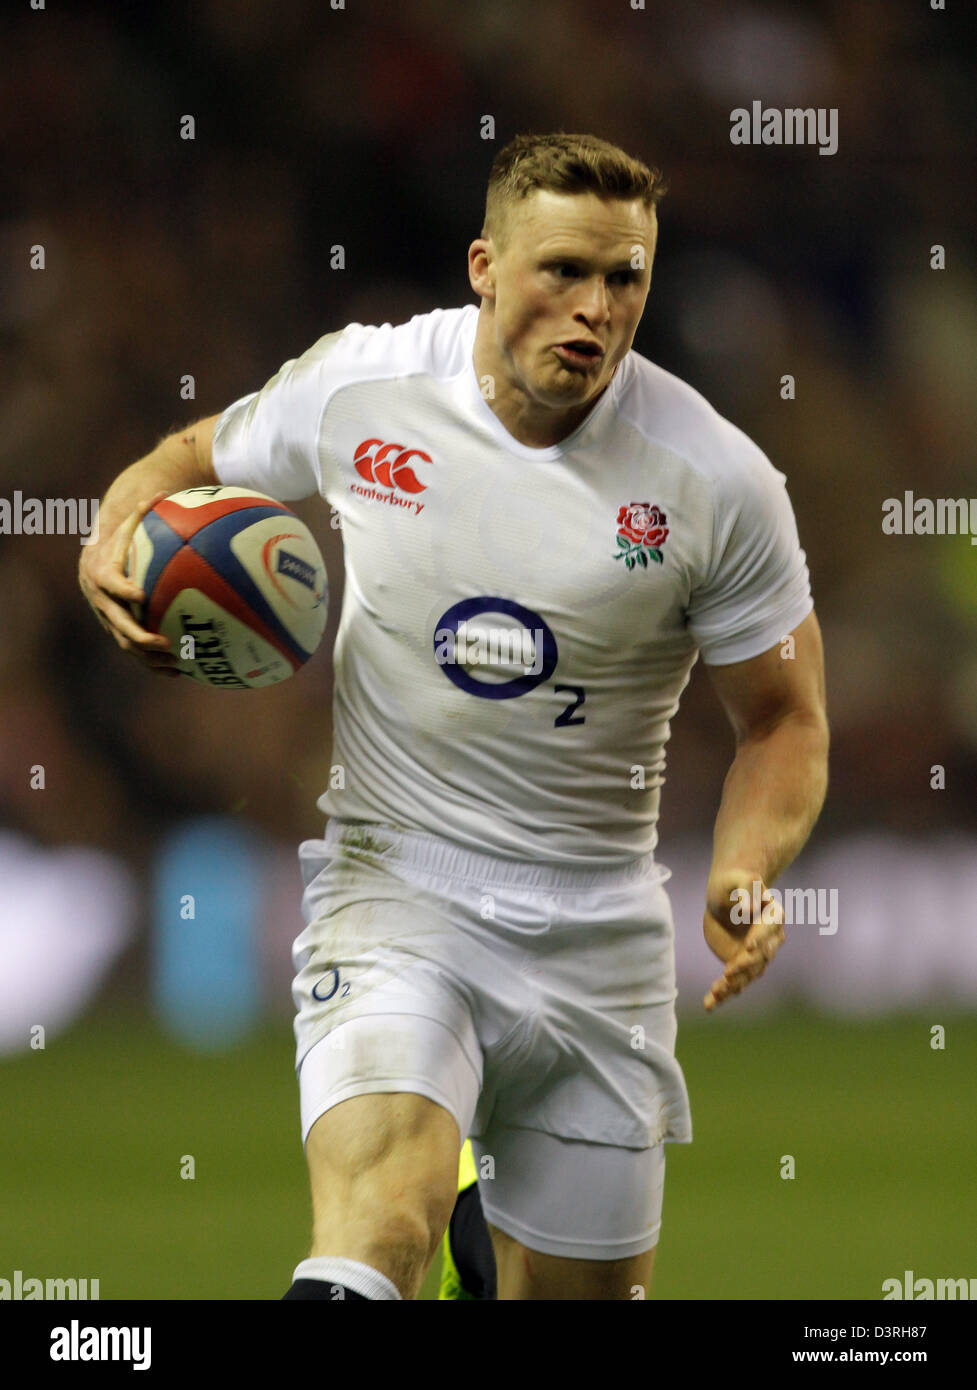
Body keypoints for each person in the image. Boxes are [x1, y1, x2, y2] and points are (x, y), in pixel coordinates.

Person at [79, 132, 829, 1301]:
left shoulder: (716, 483)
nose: (593, 309)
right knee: (379, 1229)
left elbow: (783, 718)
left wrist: (741, 866)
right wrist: (109, 535)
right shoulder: (363, 384)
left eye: (622, 279)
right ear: (484, 265)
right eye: (562, 271)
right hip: (397, 889)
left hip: (600, 926)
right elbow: (187, 454)